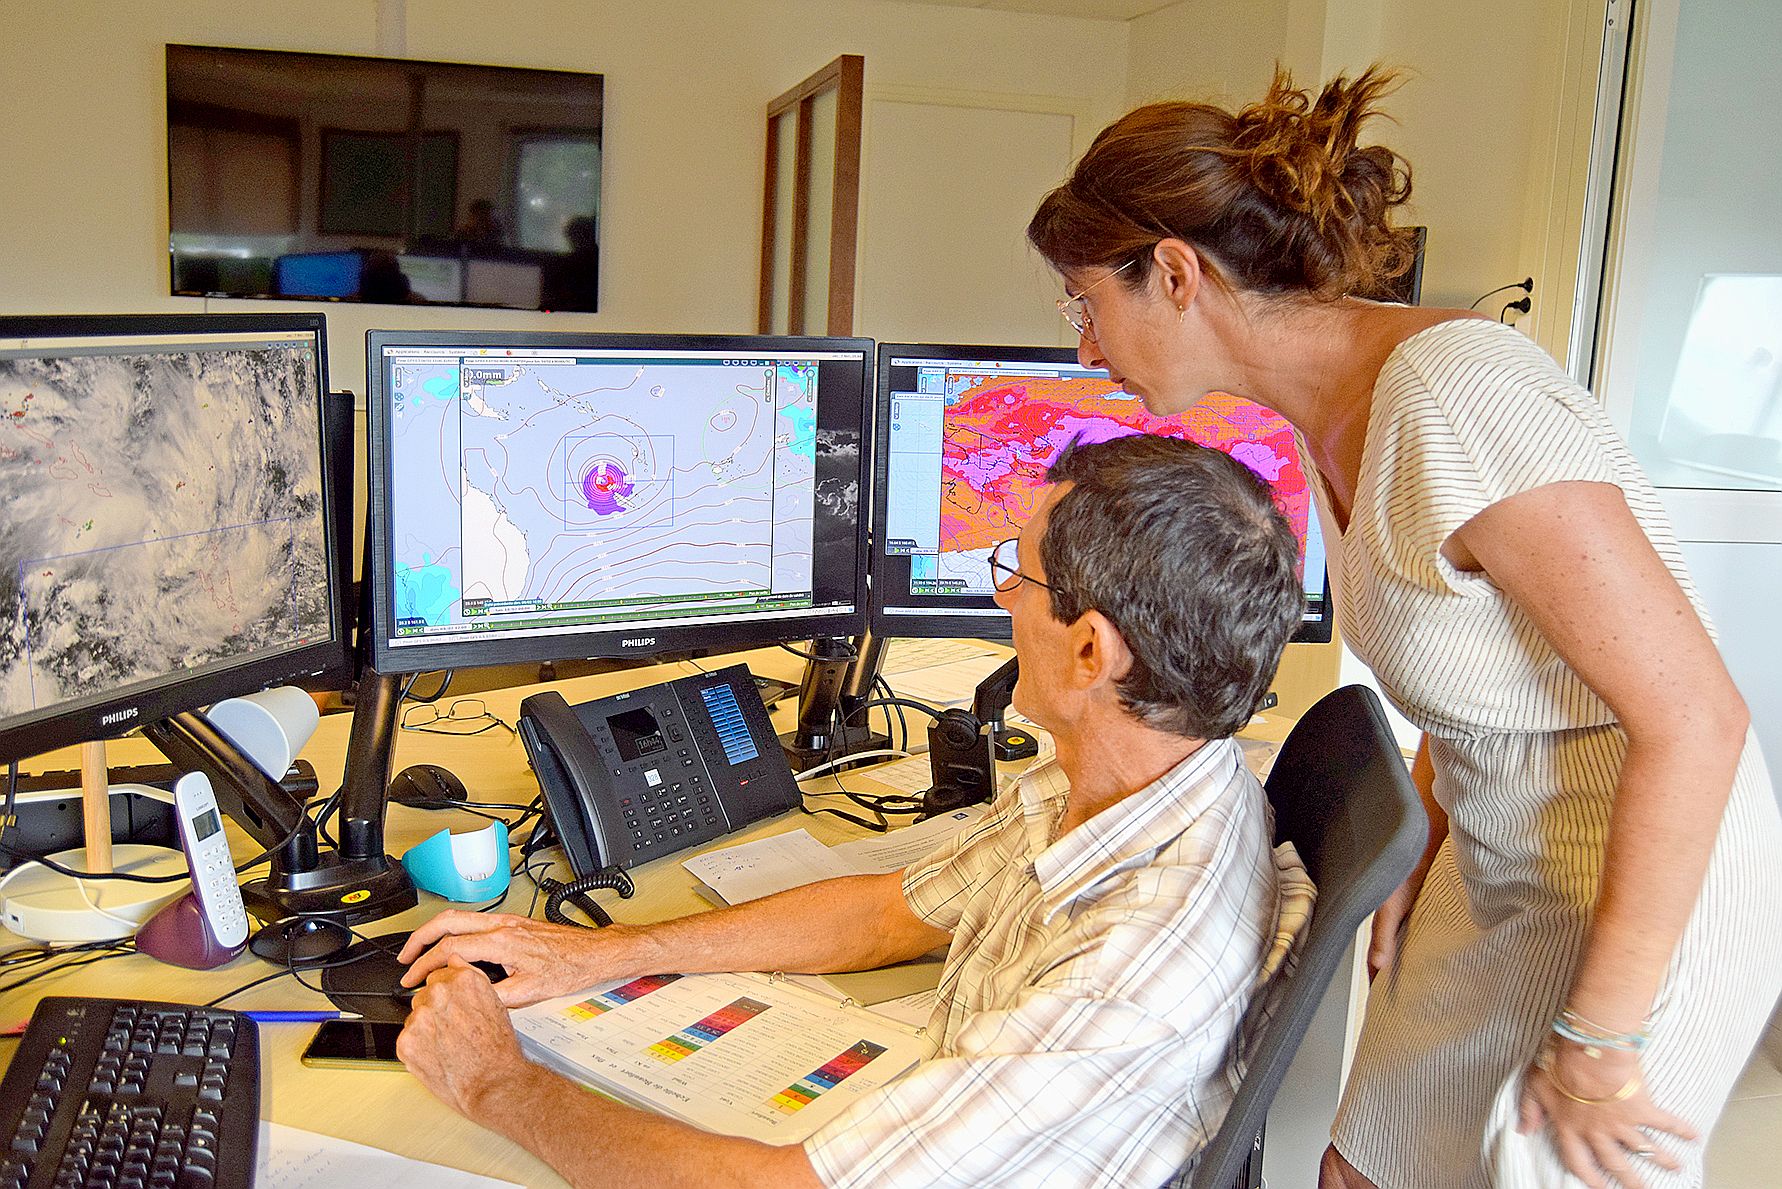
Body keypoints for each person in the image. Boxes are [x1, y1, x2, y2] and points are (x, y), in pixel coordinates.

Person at [1024, 66, 1782, 1189]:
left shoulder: (1457, 396)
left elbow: (1700, 718)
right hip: (1497, 859)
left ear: (1174, 273)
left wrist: (1603, 1040)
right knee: (1358, 1164)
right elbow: (1480, 671)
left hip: (1642, 891)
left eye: (1086, 302)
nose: (1086, 346)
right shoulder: (1324, 422)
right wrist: (1424, 833)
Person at [395, 434, 1315, 1188]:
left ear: (1088, 651)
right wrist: (599, 954)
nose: (1000, 598)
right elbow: (887, 913)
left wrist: (497, 1084)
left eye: (1018, 576)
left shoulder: (1129, 970)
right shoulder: (1145, 777)